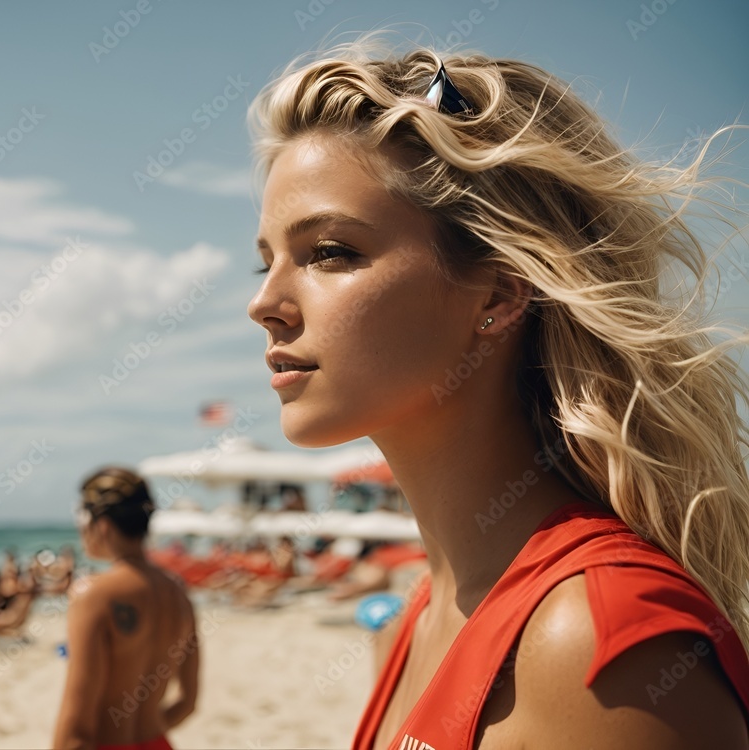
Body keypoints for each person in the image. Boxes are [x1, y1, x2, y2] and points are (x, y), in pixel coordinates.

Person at [246, 36, 749, 749]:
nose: (264, 304)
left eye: (329, 252)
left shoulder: (593, 645)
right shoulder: (422, 615)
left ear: (500, 293)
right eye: (266, 262)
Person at [53, 466, 199, 750]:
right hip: (157, 742)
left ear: (103, 526)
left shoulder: (94, 594)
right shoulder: (178, 593)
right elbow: (187, 702)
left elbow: (75, 730)